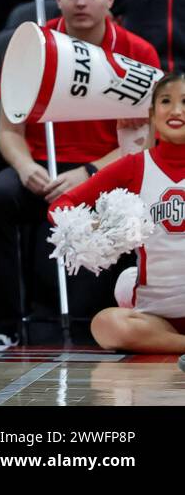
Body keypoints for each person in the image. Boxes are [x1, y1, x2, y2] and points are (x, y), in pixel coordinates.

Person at [0, 0, 160, 349]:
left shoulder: (139, 53)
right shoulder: (31, 48)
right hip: (42, 166)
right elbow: (8, 131)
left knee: (140, 210)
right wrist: (25, 167)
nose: (81, 2)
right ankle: (1, 325)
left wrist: (90, 173)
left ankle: (129, 318)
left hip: (109, 169)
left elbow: (145, 142)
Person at [48, 71, 185, 355]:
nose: (176, 111)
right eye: (166, 101)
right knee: (105, 324)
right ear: (151, 113)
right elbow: (61, 205)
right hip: (153, 315)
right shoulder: (135, 165)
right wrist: (92, 229)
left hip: (154, 330)